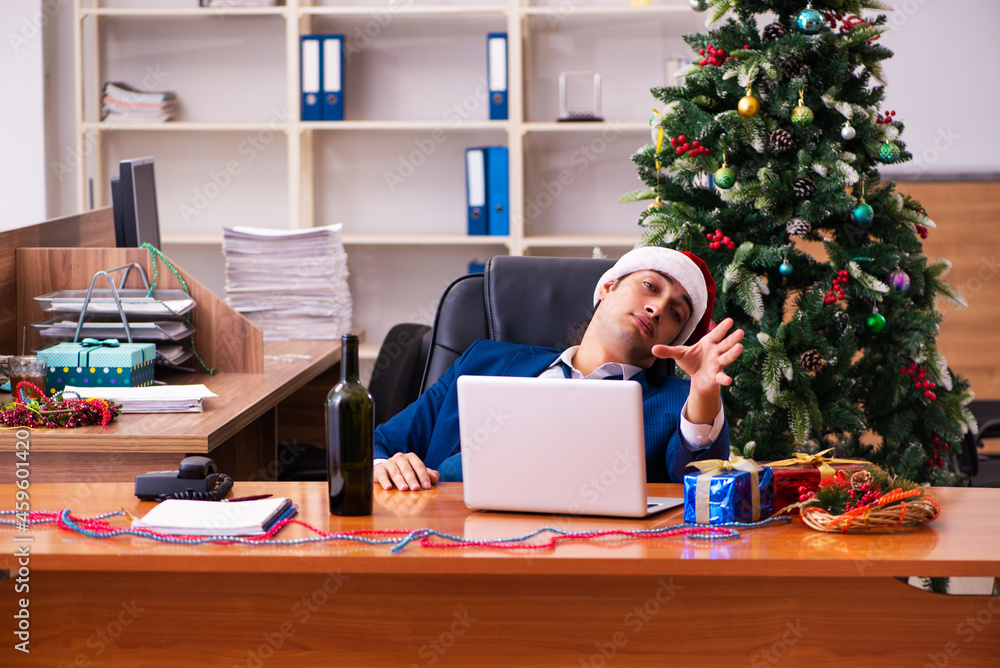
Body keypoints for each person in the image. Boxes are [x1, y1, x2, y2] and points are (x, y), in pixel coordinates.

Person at [373, 247, 745, 491]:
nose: (658, 308)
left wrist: (703, 392)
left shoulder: (681, 403)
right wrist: (383, 465)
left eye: (676, 313)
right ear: (607, 288)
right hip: (446, 544)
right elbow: (380, 444)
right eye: (650, 286)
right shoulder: (482, 360)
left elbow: (698, 483)